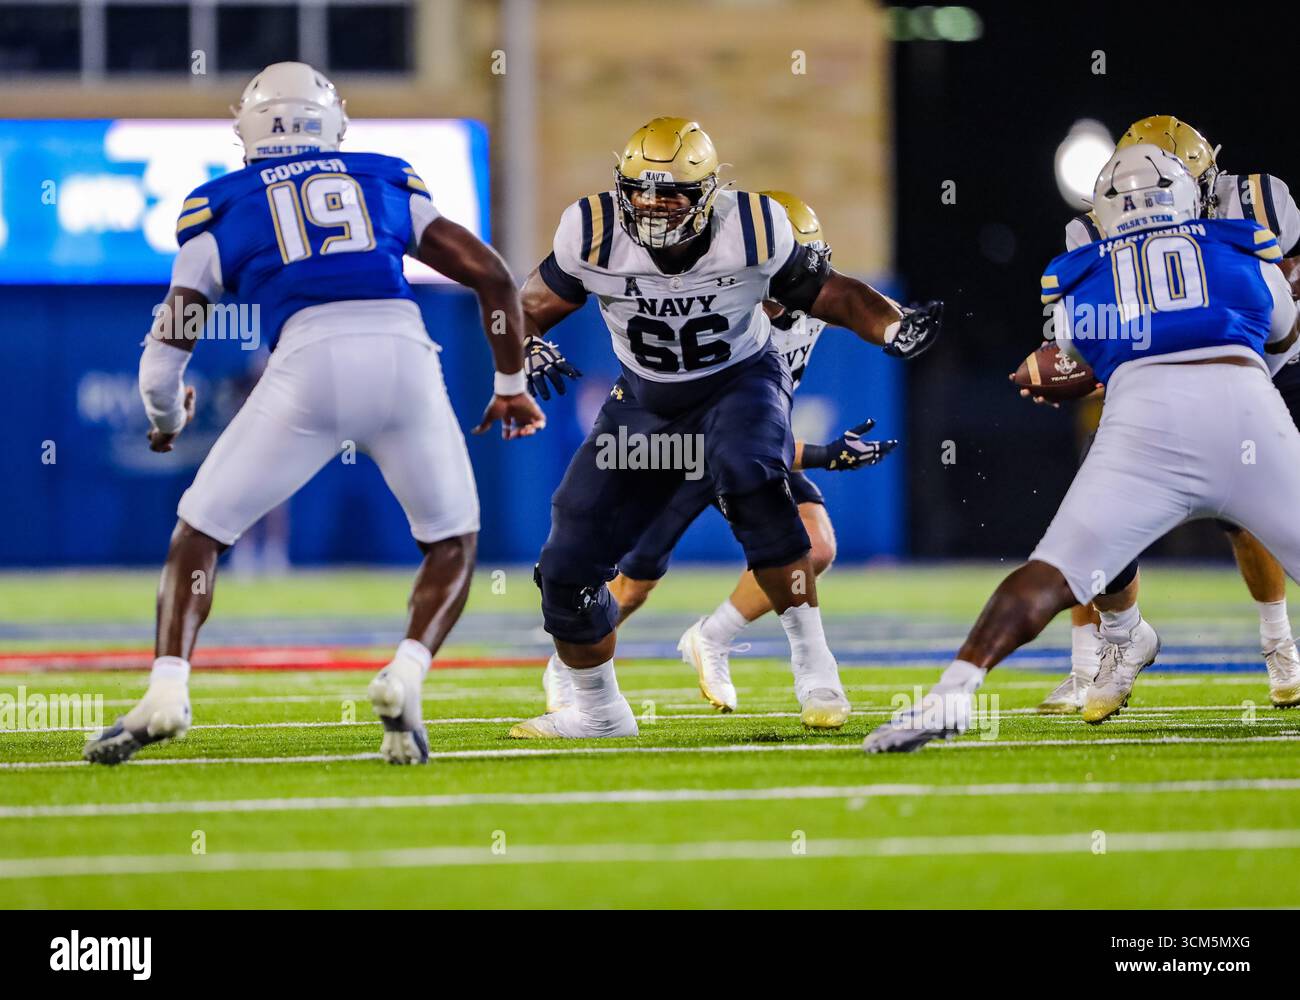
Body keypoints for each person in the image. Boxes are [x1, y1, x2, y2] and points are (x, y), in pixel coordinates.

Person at [84, 62, 544, 766]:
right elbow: (495, 277)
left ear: (249, 128)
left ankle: (168, 689)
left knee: (200, 533)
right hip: (402, 352)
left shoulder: (220, 203)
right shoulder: (385, 176)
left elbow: (164, 354)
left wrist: (167, 418)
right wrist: (510, 381)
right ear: (332, 121)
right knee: (452, 540)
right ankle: (405, 676)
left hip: (306, 361)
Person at [507, 117, 940, 739]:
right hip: (646, 405)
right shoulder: (591, 231)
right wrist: (520, 345)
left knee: (749, 473)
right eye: (641, 190)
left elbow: (834, 294)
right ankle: (599, 713)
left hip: (738, 383)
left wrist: (891, 325)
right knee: (568, 562)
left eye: (672, 192)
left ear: (707, 192)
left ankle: (814, 663)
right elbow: (523, 309)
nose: (654, 206)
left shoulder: (754, 230)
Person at [866, 143, 1300, 753]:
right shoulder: (1243, 242)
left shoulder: (1077, 270)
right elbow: (1280, 335)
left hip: (1143, 420)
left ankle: (952, 692)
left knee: (1051, 573)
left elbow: (1075, 358)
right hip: (1244, 407)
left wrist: (1072, 370)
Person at [1035, 115, 1300, 713]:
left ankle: (1280, 645)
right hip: (1159, 372)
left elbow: (1287, 297)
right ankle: (1093, 658)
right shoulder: (1093, 230)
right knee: (1094, 505)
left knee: (1251, 511)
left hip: (1266, 356)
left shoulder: (1256, 201)